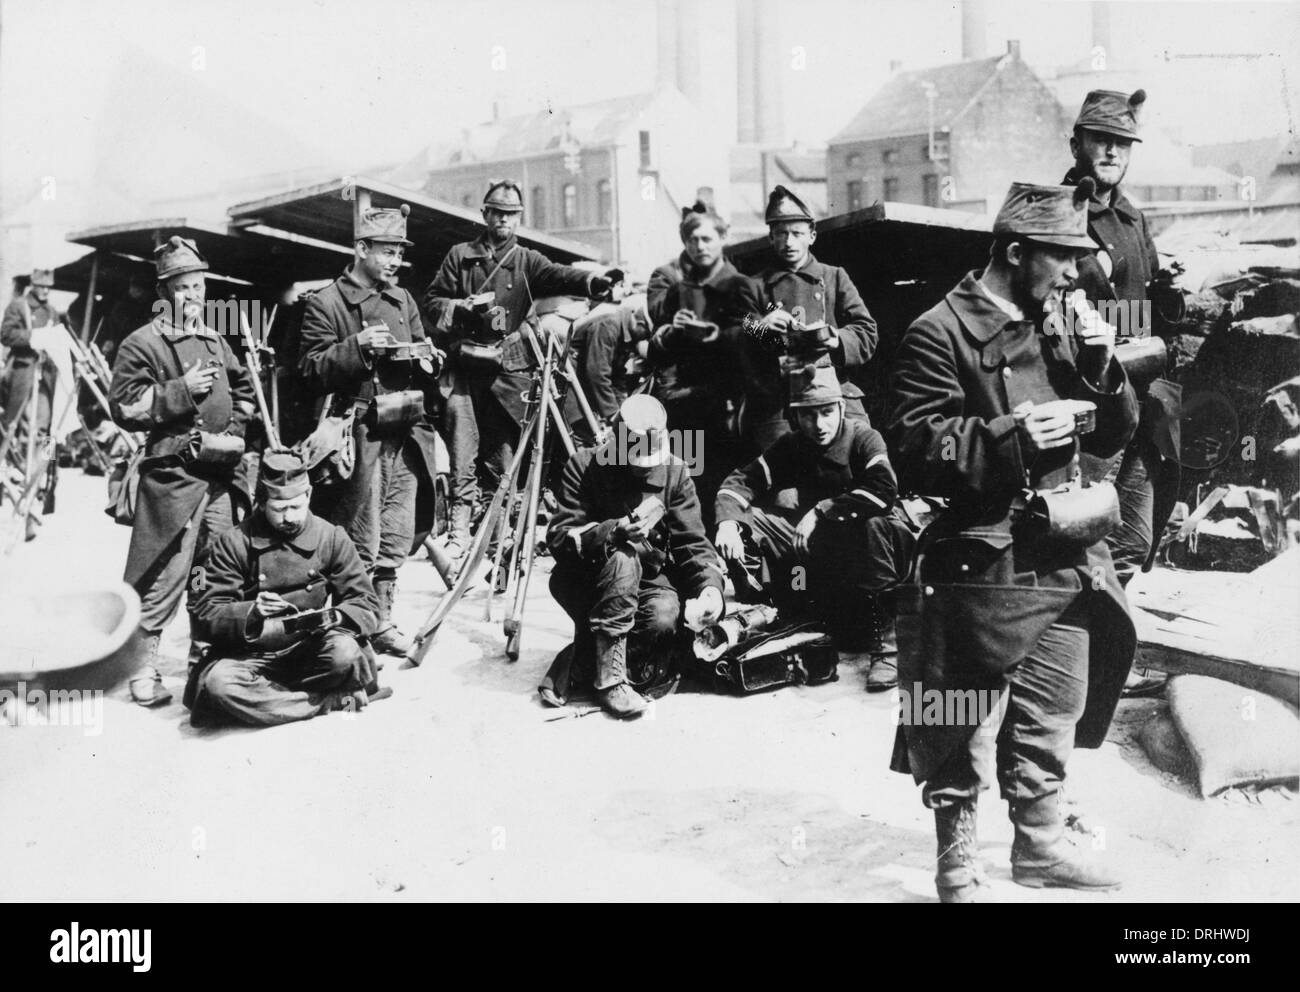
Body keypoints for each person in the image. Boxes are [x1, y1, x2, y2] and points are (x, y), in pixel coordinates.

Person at [886, 180, 1139, 902]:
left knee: (1053, 707)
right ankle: (958, 861)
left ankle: (1041, 846)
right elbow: (913, 442)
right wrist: (1010, 437)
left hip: (1066, 549)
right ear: (1017, 251)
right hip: (984, 554)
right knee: (955, 709)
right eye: (1061, 259)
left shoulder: (1058, 322)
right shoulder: (939, 331)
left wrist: (1101, 368)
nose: (1074, 273)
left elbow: (1116, 431)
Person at [423, 180, 620, 560]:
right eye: (497, 213)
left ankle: (499, 540)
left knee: (502, 459)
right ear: (485, 214)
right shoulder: (459, 255)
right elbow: (432, 302)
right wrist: (461, 308)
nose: (504, 221)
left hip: (503, 374)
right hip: (463, 372)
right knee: (463, 451)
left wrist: (594, 281)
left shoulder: (526, 260)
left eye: (512, 215)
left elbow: (560, 275)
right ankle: (459, 532)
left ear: (519, 219)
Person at [1062, 88, 1177, 696]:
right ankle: (1067, 667)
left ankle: (1101, 658)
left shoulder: (1134, 219)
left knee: (1133, 539)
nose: (1111, 152)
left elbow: (1147, 305)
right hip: (1087, 404)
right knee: (1081, 539)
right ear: (1075, 143)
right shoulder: (1056, 213)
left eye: (1122, 143)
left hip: (1142, 398)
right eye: (1100, 139)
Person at [108, 237, 256, 707]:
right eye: (184, 288)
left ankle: (203, 657)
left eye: (200, 286)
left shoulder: (215, 339)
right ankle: (141, 667)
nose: (194, 296)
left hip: (220, 478)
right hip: (172, 478)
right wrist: (179, 389)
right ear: (164, 290)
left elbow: (245, 389)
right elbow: (124, 406)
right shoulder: (143, 342)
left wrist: (234, 428)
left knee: (215, 570)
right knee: (163, 574)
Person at [297, 203, 442, 656]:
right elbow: (309, 370)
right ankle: (352, 627)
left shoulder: (403, 299)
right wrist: (354, 347)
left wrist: (429, 360)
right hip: (361, 431)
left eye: (400, 251)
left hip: (407, 428)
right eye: (387, 251)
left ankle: (381, 621)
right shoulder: (327, 302)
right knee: (359, 532)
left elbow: (423, 352)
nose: (396, 260)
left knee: (397, 531)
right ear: (361, 249)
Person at [713, 365, 914, 689]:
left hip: (870, 551)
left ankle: (886, 650)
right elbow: (741, 481)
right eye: (808, 415)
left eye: (826, 412)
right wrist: (728, 524)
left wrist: (822, 511)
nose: (818, 424)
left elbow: (883, 490)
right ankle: (781, 603)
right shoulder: (793, 445)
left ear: (840, 408)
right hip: (823, 551)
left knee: (876, 524)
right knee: (753, 521)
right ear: (796, 417)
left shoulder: (863, 438)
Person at [545, 394, 726, 718]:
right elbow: (559, 538)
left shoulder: (674, 472)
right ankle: (610, 681)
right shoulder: (585, 466)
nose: (644, 469)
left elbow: (692, 543)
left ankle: (584, 657)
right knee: (623, 558)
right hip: (588, 580)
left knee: (662, 620)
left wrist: (710, 588)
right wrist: (613, 532)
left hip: (649, 580)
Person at [184, 451, 384, 727]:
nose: (288, 517)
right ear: (263, 502)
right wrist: (252, 611)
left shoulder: (331, 537)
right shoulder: (234, 542)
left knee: (347, 655)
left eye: (295, 507)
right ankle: (330, 700)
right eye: (278, 509)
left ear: (309, 496)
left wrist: (336, 617)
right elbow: (205, 612)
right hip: (251, 655)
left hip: (311, 649)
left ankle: (270, 705)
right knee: (220, 684)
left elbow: (366, 603)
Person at [645, 201, 763, 523]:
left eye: (708, 239)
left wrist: (721, 335)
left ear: (723, 238)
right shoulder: (678, 289)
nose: (700, 247)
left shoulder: (742, 286)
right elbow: (657, 352)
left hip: (729, 405)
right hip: (685, 405)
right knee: (686, 482)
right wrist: (674, 331)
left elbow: (758, 337)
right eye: (693, 240)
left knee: (722, 484)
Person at [742, 185, 878, 449]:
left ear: (812, 236)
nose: (789, 242)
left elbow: (867, 331)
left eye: (796, 233)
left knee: (864, 448)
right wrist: (762, 326)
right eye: (781, 234)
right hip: (779, 400)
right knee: (779, 472)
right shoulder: (755, 286)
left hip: (834, 389)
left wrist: (835, 338)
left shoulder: (834, 277)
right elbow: (735, 331)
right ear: (771, 238)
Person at [1, 268, 61, 437]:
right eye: (41, 286)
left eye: (49, 287)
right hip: (23, 369)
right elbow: (6, 335)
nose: (45, 290)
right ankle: (8, 459)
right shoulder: (18, 306)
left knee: (46, 422)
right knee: (13, 420)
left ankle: (44, 462)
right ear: (33, 285)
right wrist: (33, 337)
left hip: (46, 374)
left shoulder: (51, 311)